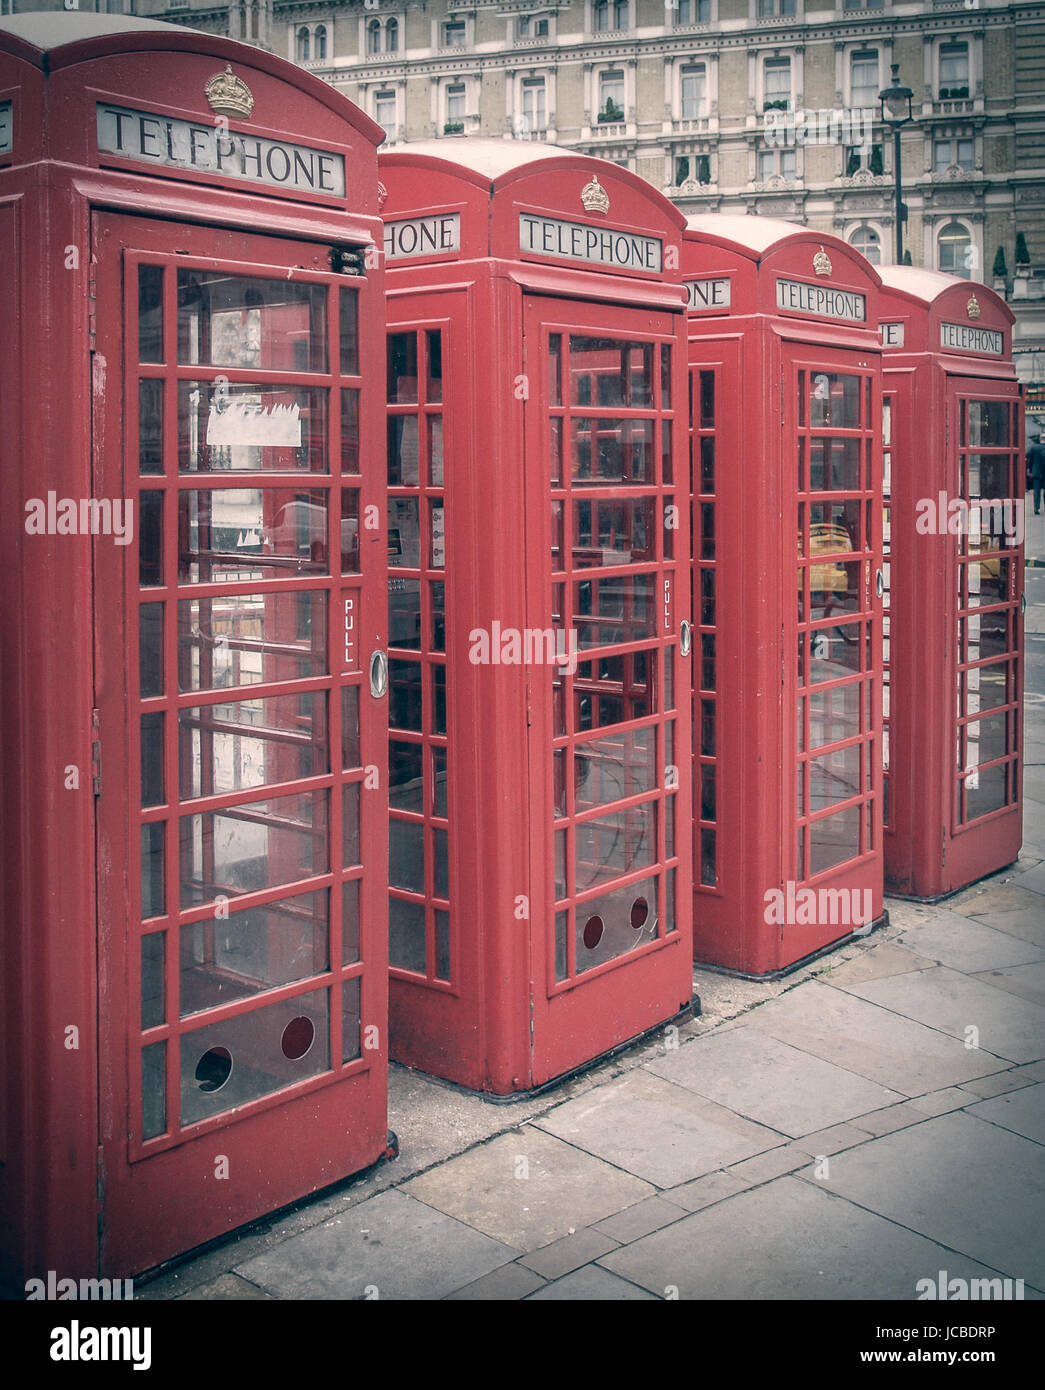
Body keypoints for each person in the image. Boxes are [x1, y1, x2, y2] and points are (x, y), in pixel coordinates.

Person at [1028, 436, 1045, 515]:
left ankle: (1036, 508)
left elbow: (1030, 459)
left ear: (1040, 439)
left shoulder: (1034, 448)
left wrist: (1030, 469)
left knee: (1037, 491)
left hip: (1036, 472)